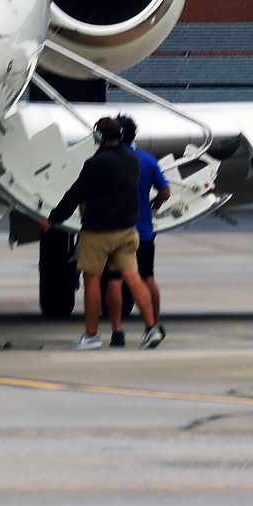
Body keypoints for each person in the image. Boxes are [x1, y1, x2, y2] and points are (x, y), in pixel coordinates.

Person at [47, 114, 158, 349]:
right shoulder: (133, 161)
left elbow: (75, 194)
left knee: (93, 279)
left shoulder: (94, 164)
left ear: (98, 136)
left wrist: (53, 219)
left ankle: (92, 335)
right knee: (133, 277)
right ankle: (151, 328)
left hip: (98, 232)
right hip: (127, 231)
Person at [118, 114, 170, 349]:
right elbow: (166, 191)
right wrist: (155, 203)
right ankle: (155, 324)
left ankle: (116, 331)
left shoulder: (109, 159)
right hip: (144, 229)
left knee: (115, 280)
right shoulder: (148, 161)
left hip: (117, 229)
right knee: (147, 277)